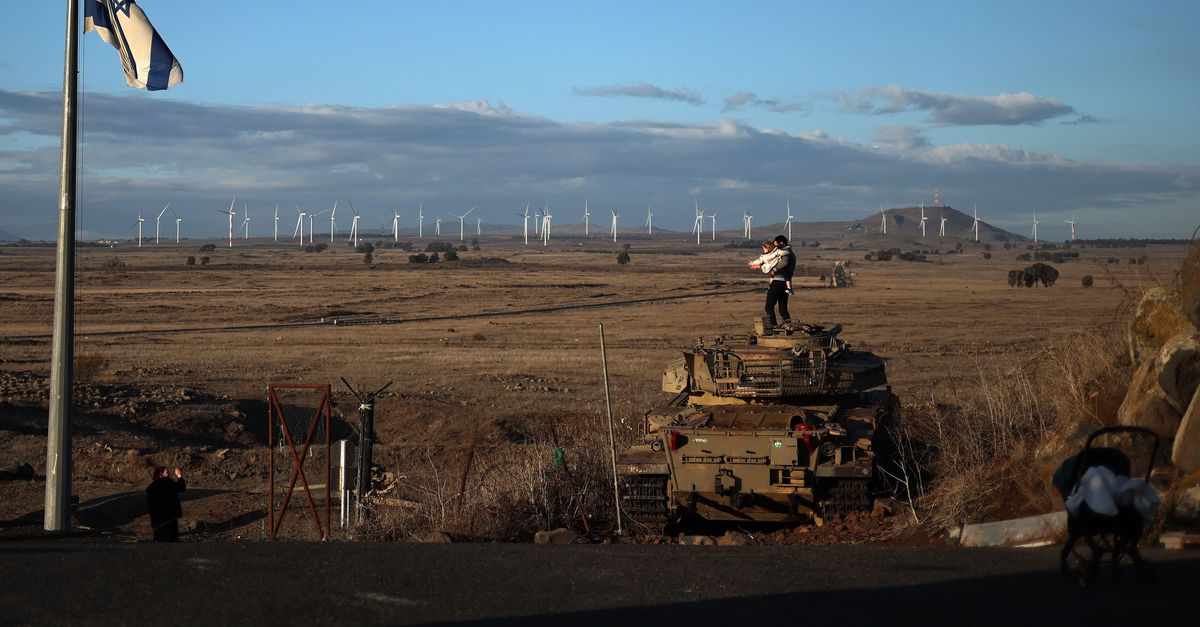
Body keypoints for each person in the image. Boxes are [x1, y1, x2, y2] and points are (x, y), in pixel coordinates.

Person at [750, 235, 795, 327]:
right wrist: (759, 266)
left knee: (769, 306)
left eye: (776, 244)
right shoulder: (787, 252)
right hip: (785, 283)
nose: (775, 246)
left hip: (778, 282)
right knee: (782, 308)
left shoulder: (785, 252)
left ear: (781, 243)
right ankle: (789, 326)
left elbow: (783, 263)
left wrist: (773, 269)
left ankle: (774, 326)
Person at [146, 465, 186, 542]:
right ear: (160, 474)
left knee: (161, 538)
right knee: (171, 538)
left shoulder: (153, 486)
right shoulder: (166, 482)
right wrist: (179, 476)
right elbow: (181, 488)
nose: (167, 471)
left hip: (158, 517)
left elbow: (150, 503)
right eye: (164, 470)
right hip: (169, 516)